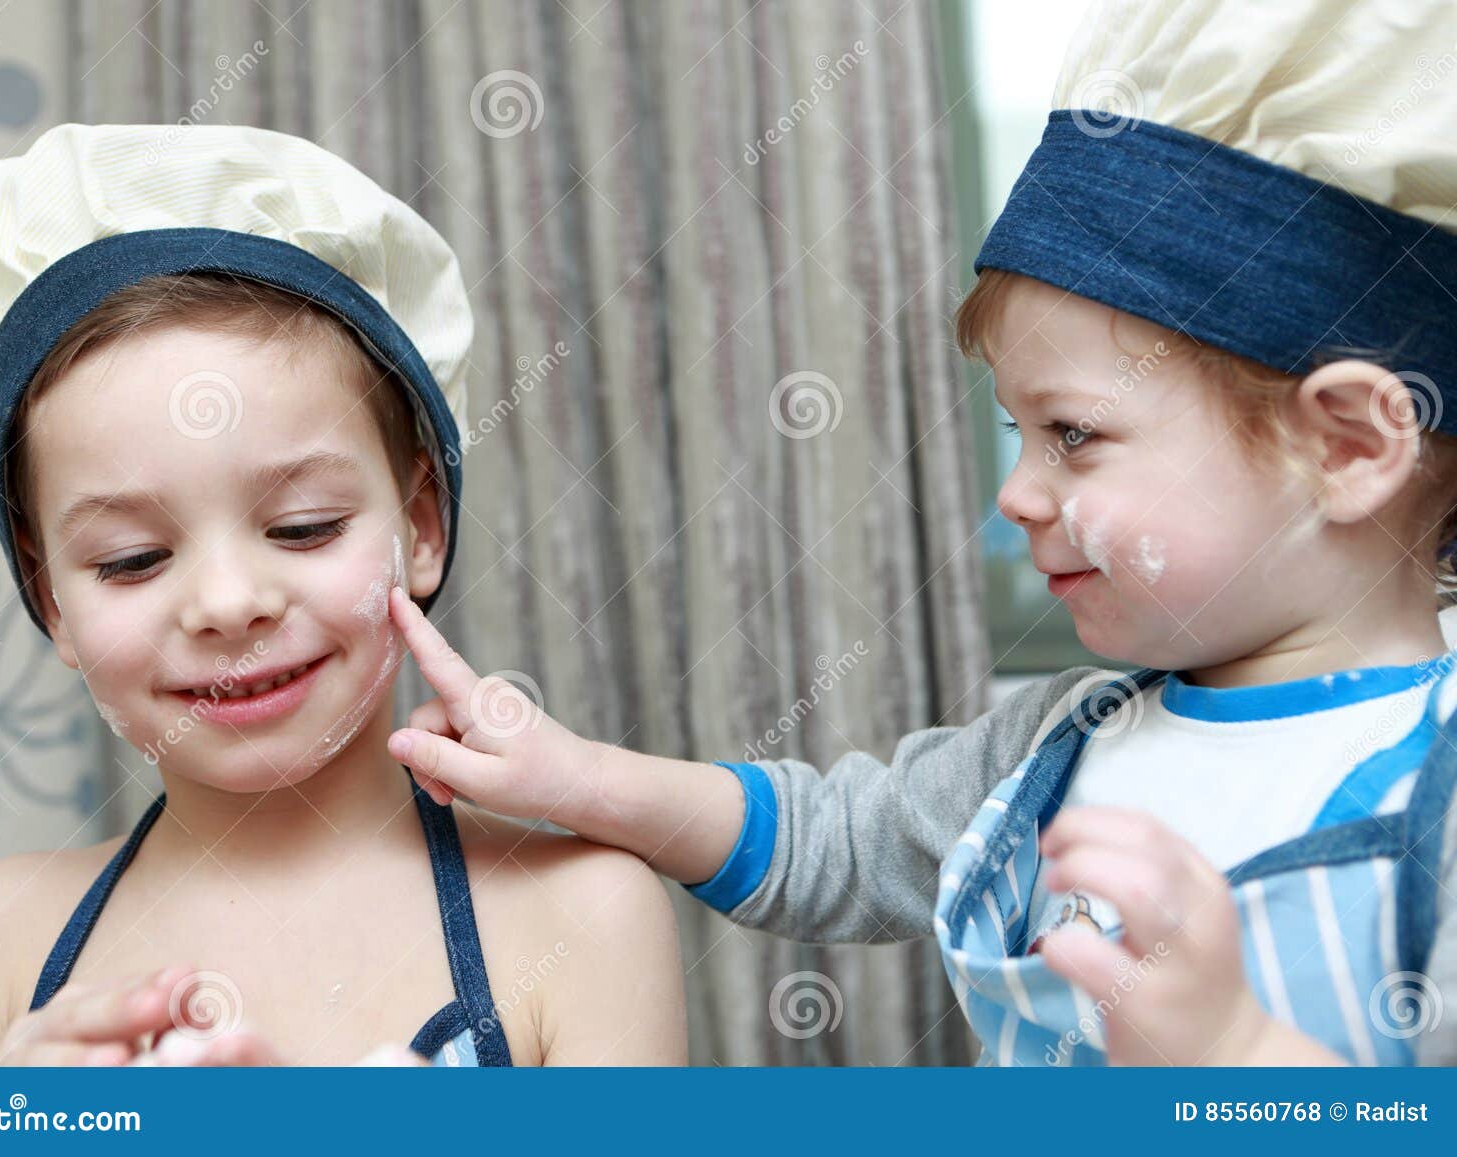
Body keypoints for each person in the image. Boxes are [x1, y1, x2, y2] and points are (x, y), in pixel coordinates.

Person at [385, 0, 1457, 1066]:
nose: (1019, 496)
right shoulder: (1057, 744)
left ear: (1348, 448)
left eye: (1074, 435)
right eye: (1016, 433)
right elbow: (831, 844)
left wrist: (1233, 1048)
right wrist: (577, 779)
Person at [0, 123, 685, 1067]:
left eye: (304, 527)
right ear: (51, 596)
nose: (230, 604)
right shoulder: (4, 933)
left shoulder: (586, 914)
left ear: (423, 524)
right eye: (133, 557)